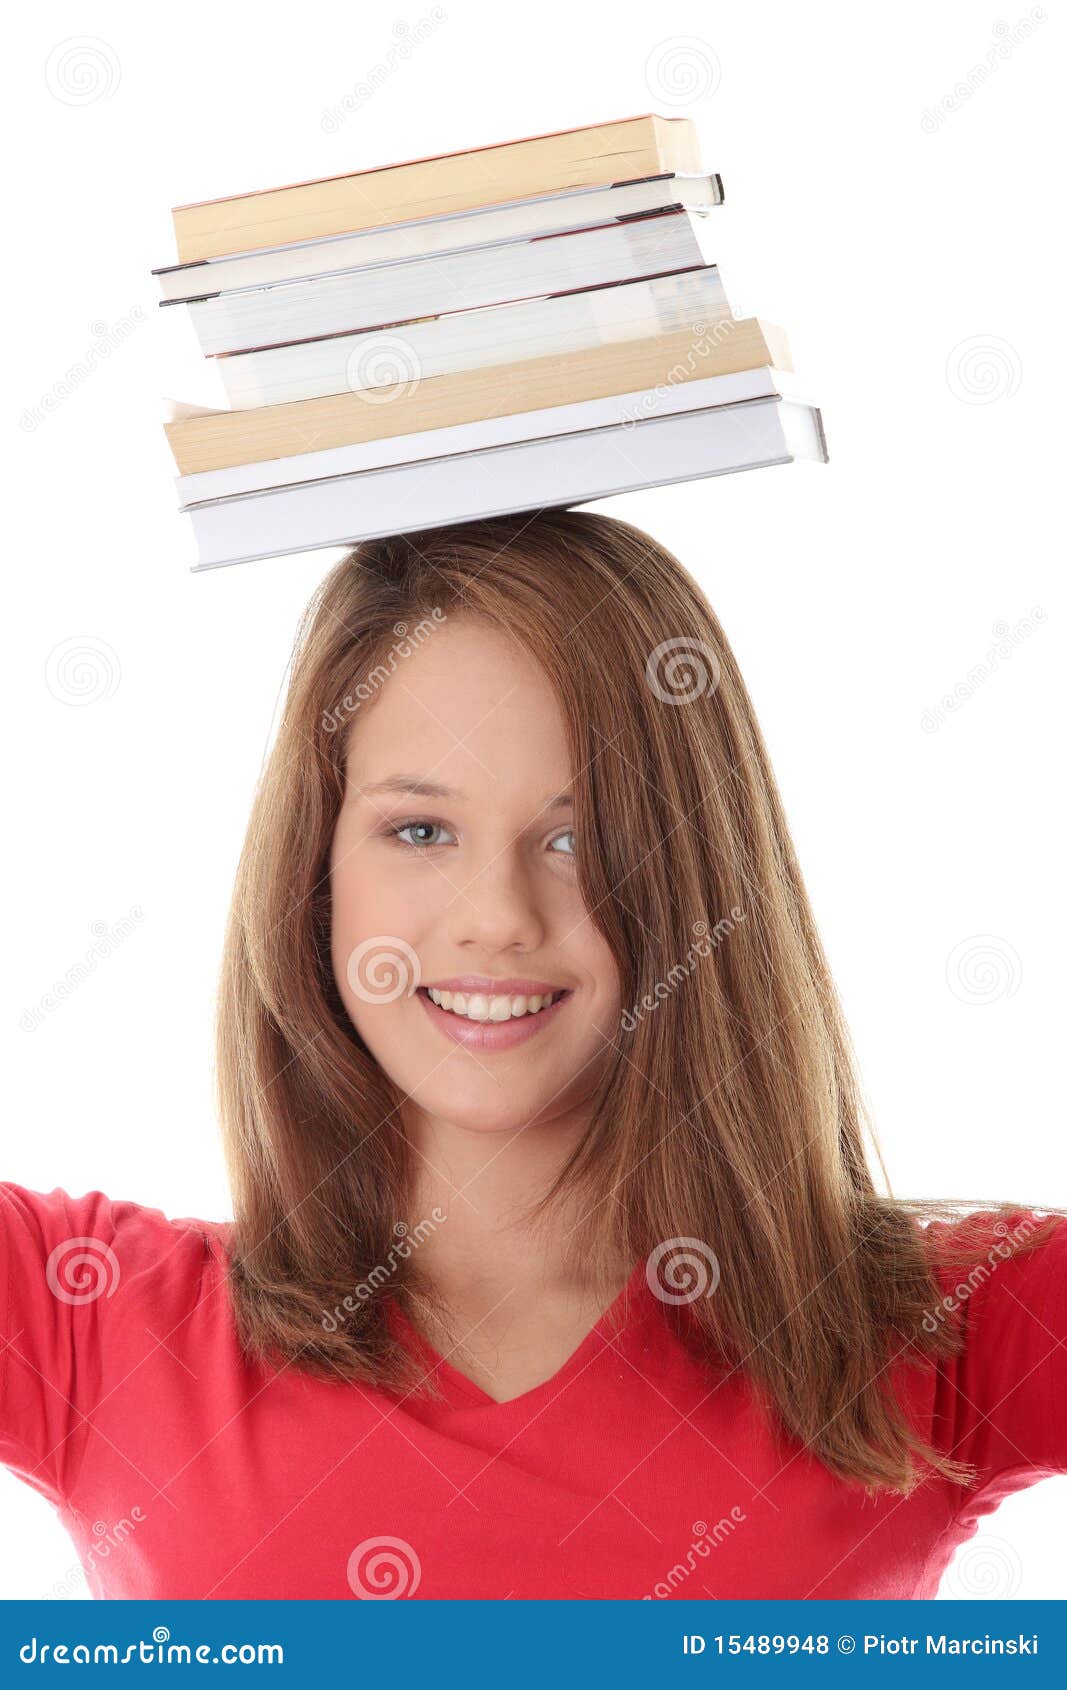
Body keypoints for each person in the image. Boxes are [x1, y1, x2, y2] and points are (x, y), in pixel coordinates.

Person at [2, 510, 1064, 1601]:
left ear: (690, 876)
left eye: (576, 837)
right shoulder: (80, 1314)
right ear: (316, 871)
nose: (496, 918)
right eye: (419, 829)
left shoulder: (948, 1325)